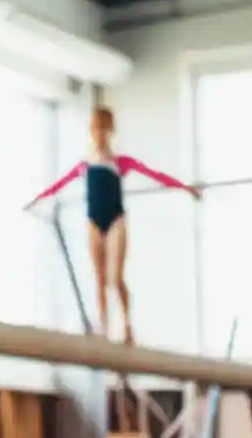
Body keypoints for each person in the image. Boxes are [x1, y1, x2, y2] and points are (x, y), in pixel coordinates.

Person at [24, 106, 200, 345]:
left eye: (105, 129)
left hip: (116, 219)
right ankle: (104, 327)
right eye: (96, 129)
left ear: (111, 131)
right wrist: (37, 200)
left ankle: (128, 325)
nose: (100, 134)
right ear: (91, 131)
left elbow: (155, 175)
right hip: (94, 221)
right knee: (99, 278)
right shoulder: (84, 165)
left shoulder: (121, 162)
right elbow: (59, 185)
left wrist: (185, 188)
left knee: (115, 278)